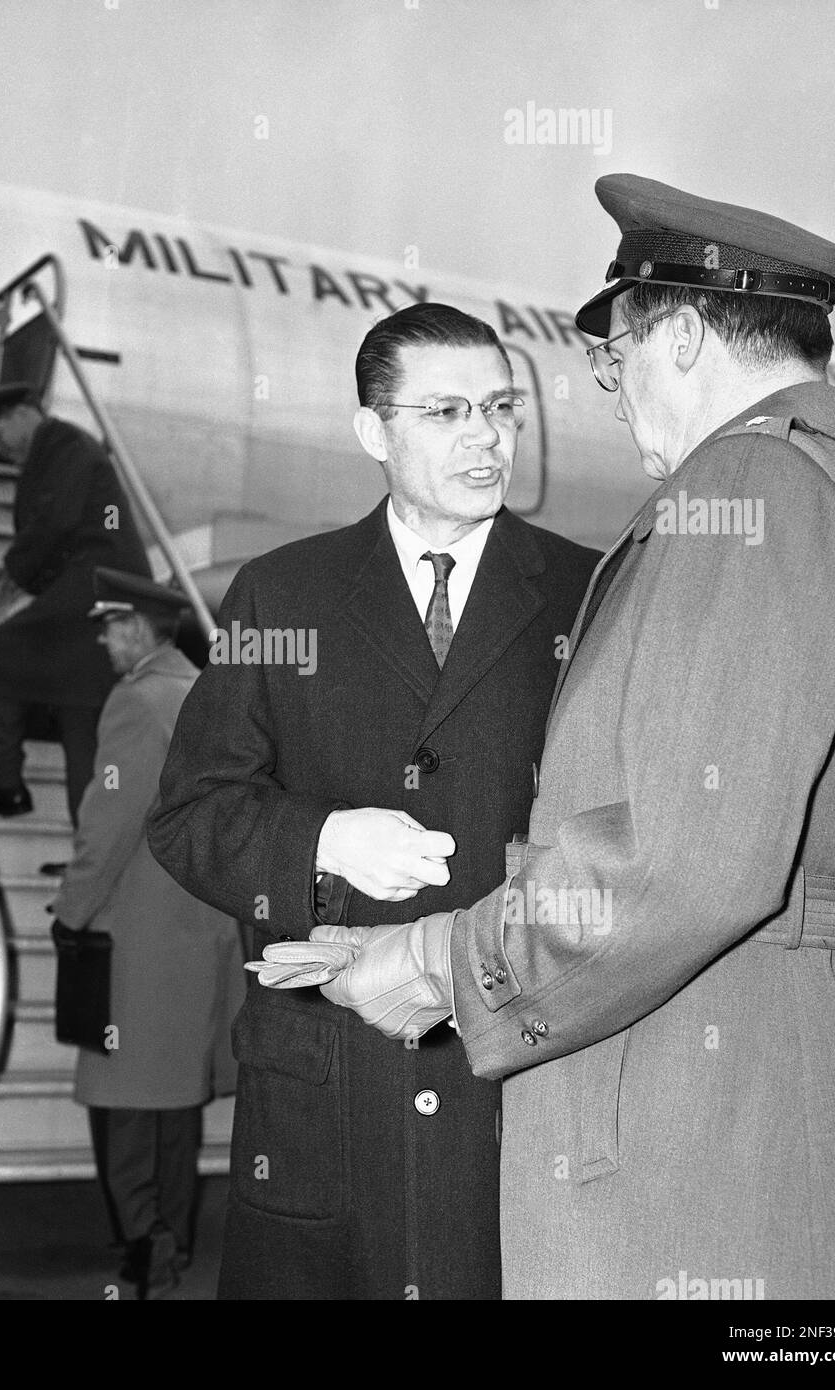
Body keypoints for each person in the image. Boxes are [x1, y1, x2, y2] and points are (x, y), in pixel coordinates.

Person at [287, 175, 835, 1299]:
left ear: (675, 335)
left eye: (613, 362)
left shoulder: (753, 488)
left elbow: (685, 859)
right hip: (775, 1080)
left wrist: (440, 962)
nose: (614, 399)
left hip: (703, 1115)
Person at [148, 303, 598, 1299]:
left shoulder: (587, 594)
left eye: (500, 407)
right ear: (371, 431)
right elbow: (189, 814)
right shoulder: (281, 594)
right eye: (445, 411)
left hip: (509, 1074)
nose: (484, 437)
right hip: (330, 1083)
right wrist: (321, 839)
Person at [52, 567, 243, 1299]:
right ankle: (172, 1239)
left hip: (137, 937)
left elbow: (109, 824)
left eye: (109, 625)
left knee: (125, 1101)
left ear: (137, 628)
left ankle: (145, 1247)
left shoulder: (136, 702)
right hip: (202, 928)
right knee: (173, 1102)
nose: (103, 639)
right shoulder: (205, 693)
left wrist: (70, 913)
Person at [0, 384, 152, 822]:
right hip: (103, 600)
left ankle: (0, 783)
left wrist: (12, 572)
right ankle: (89, 849)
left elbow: (56, 521)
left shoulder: (63, 443)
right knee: (82, 720)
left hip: (98, 593)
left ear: (23, 412)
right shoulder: (58, 451)